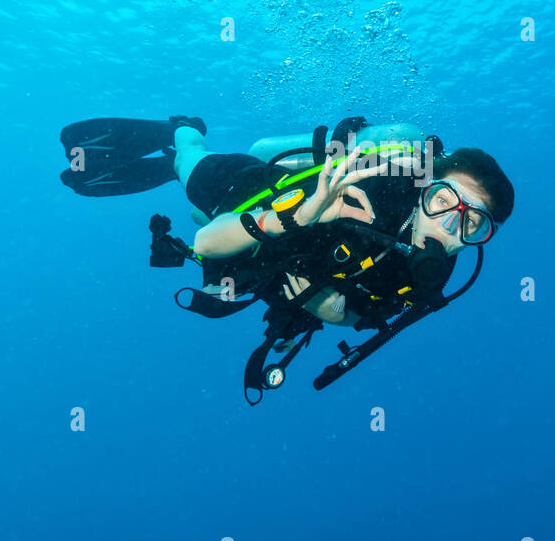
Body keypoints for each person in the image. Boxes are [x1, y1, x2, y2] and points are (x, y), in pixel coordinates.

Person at [58, 115, 515, 403]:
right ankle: (182, 135)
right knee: (198, 184)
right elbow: (205, 243)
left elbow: (364, 315)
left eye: (472, 224)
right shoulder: (364, 182)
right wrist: (305, 212)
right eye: (443, 202)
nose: (449, 228)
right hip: (271, 196)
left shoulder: (434, 275)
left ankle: (170, 163)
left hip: (275, 264)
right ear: (424, 189)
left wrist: (324, 305)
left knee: (208, 232)